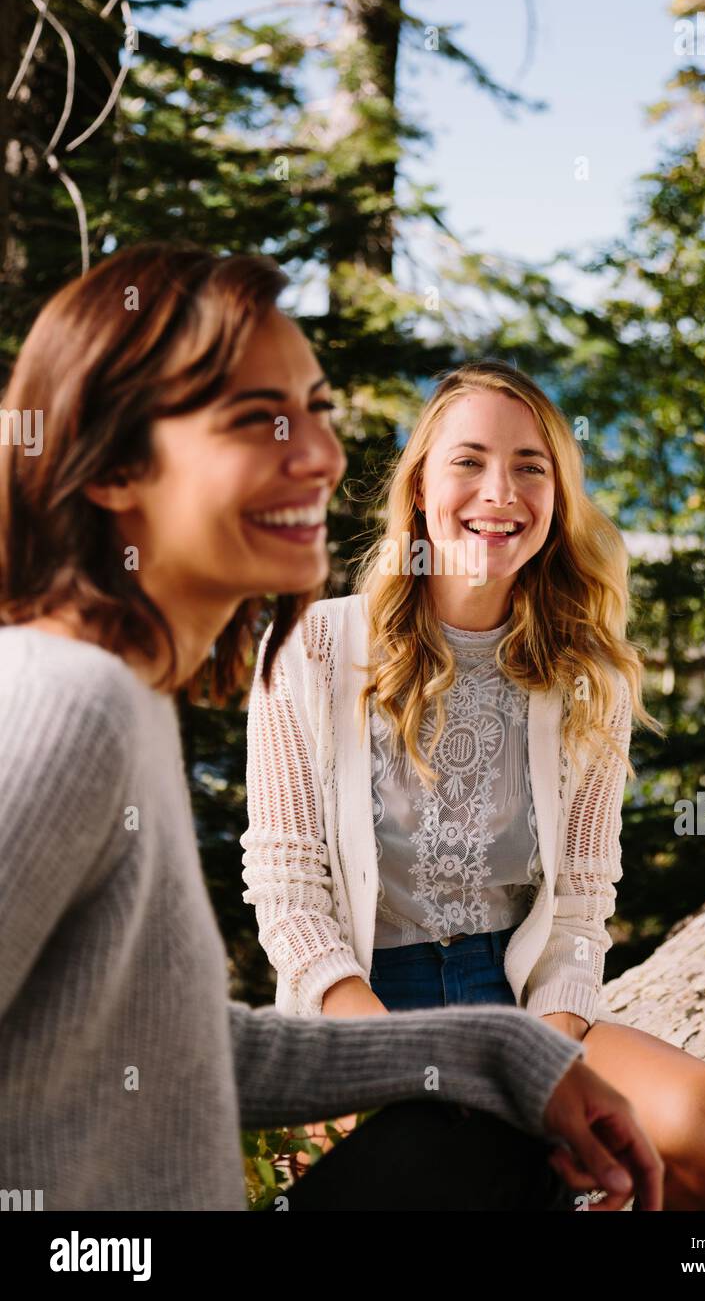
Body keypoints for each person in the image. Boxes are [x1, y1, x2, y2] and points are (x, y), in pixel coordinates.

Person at [0, 241, 664, 1212]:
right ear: (111, 468)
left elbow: (179, 1042)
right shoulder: (73, 702)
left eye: (314, 409)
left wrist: (507, 1051)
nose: (320, 453)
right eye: (253, 420)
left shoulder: (126, 696)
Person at [241, 361, 705, 1211]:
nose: (501, 490)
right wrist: (404, 1064)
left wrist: (546, 1064)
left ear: (557, 497)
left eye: (532, 466)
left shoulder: (586, 679)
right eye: (469, 460)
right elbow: (290, 899)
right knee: (450, 1174)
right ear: (418, 487)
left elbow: (577, 912)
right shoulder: (309, 647)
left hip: (519, 1006)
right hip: (363, 1013)